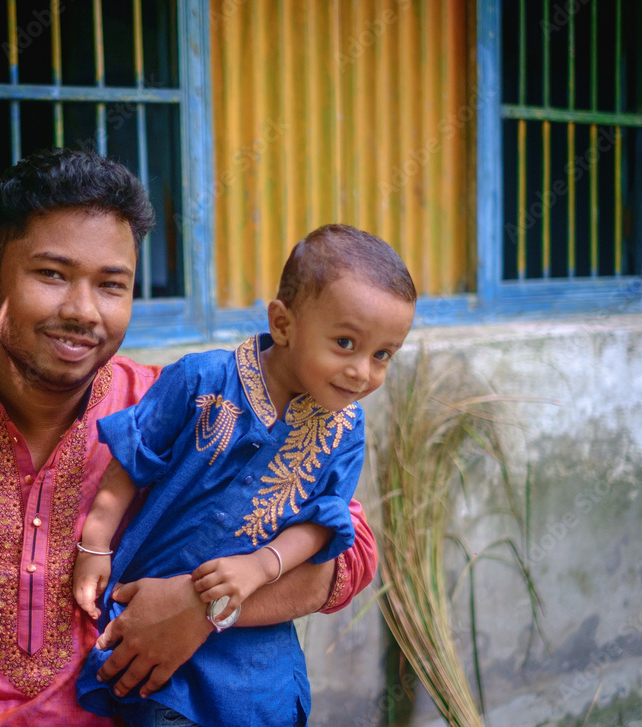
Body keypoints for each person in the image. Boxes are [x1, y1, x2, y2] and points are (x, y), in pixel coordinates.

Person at [0, 149, 378, 727]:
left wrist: (204, 608)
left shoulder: (187, 413)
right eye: (52, 274)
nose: (83, 311)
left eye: (111, 285)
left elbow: (347, 559)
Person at [73, 224, 417, 727]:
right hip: (156, 638)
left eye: (383, 354)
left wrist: (261, 566)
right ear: (283, 324)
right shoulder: (202, 380)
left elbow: (324, 521)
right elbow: (132, 459)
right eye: (345, 343)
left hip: (256, 662)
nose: (363, 372)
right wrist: (95, 544)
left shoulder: (345, 429)